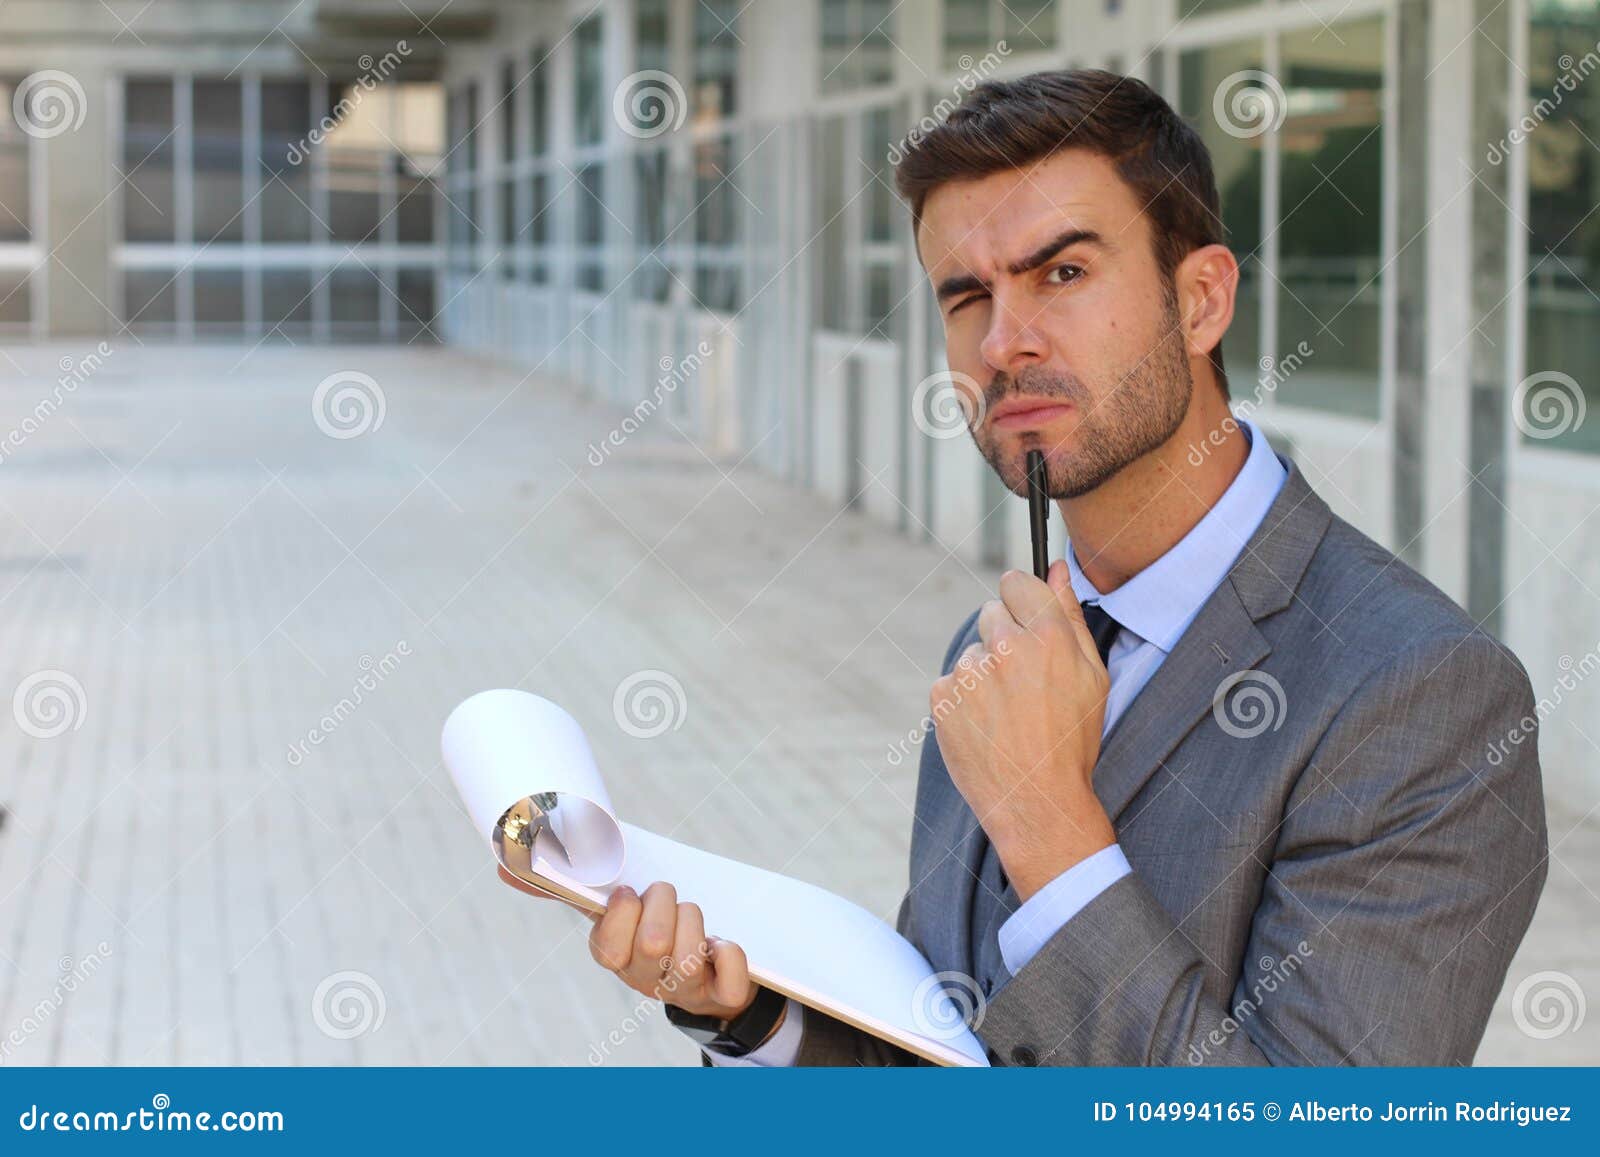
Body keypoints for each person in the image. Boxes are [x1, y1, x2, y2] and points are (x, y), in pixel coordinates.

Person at [508, 69, 1548, 1066]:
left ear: (1201, 301)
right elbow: (963, 1058)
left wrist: (1048, 824)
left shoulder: (1424, 695)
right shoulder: (998, 651)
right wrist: (751, 1015)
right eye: (965, 295)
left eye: (1062, 272)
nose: (1004, 341)